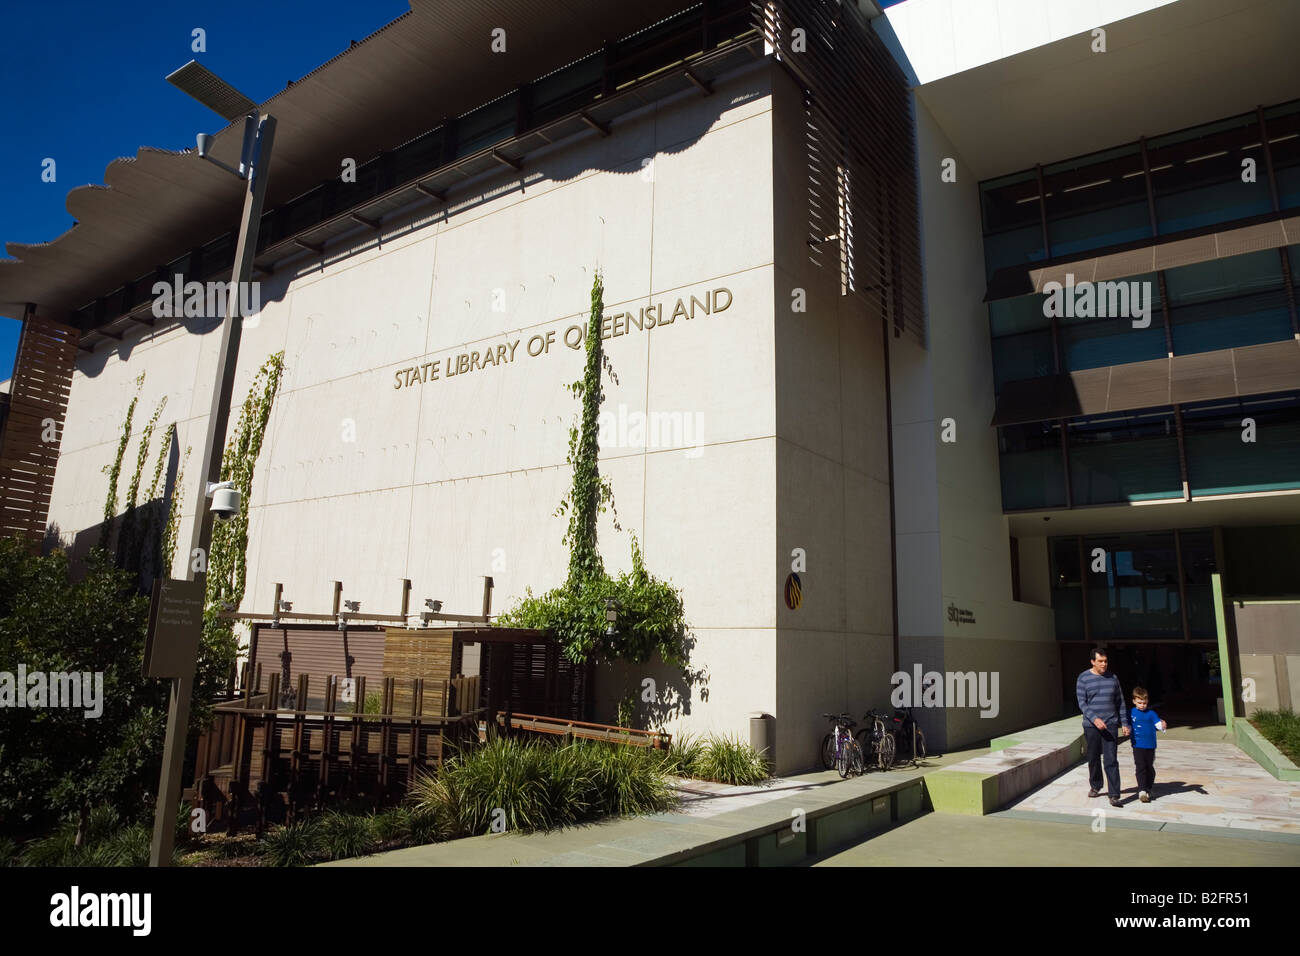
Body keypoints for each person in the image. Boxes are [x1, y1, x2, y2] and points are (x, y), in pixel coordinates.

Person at [1076, 648, 1130, 807]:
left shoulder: (1113, 678)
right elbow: (1082, 703)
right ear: (1092, 661)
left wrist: (1125, 723)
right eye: (1100, 661)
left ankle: (1114, 795)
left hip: (1111, 725)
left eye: (1106, 661)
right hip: (1091, 726)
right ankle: (1096, 785)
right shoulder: (1083, 678)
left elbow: (1120, 702)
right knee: (1093, 758)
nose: (1104, 664)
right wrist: (1095, 719)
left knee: (1111, 760)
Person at [1129, 686, 1167, 802]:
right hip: (1137, 744)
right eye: (1139, 703)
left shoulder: (1151, 713)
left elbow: (1158, 724)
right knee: (1140, 766)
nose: (1142, 705)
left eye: (1144, 703)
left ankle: (1149, 787)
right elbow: (1125, 722)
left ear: (1147, 702)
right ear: (1134, 701)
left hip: (1150, 745)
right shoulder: (1131, 712)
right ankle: (1142, 790)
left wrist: (1162, 725)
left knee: (1149, 767)